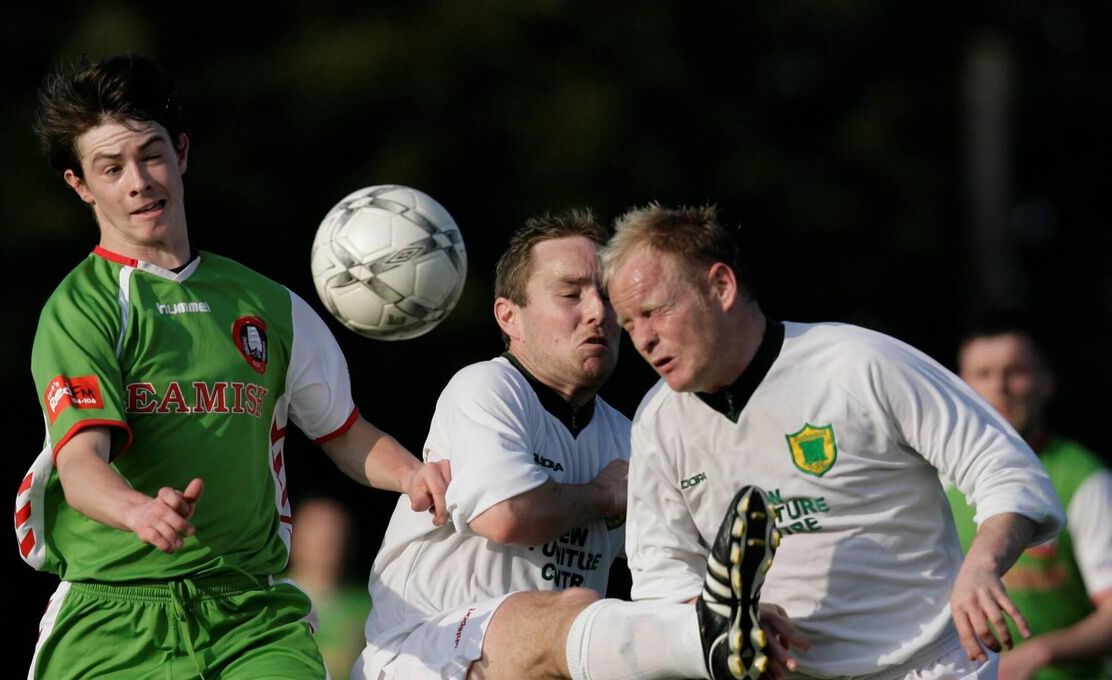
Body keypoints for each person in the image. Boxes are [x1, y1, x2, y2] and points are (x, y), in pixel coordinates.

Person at [13, 53, 450, 680]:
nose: (138, 181)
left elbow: (344, 431)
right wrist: (139, 511)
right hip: (111, 615)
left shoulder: (270, 306)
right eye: (111, 168)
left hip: (249, 614)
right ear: (80, 185)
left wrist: (411, 474)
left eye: (151, 155)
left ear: (181, 153)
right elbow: (81, 467)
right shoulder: (80, 309)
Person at [603, 203, 1067, 680]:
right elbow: (662, 571)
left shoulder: (858, 364)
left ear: (721, 286)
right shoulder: (657, 422)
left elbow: (1004, 467)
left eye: (654, 311)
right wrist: (724, 625)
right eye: (630, 323)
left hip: (932, 664)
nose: (643, 340)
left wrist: (981, 567)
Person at [354, 211, 804, 680]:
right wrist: (604, 495)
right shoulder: (486, 388)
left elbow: (671, 569)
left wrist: (733, 616)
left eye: (606, 297)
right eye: (571, 295)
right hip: (421, 654)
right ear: (510, 317)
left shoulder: (633, 435)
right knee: (571, 610)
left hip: (538, 662)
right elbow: (506, 516)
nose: (597, 313)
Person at [947, 312, 1112, 680]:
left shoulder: (1085, 480)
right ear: (960, 386)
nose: (1000, 387)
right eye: (983, 374)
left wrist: (1040, 652)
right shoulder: (939, 479)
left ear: (1045, 382)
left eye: (1015, 371)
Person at [288, 497, 373, 680]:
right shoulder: (268, 593)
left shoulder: (369, 607)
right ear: (293, 534)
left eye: (335, 530)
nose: (326, 538)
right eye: (315, 527)